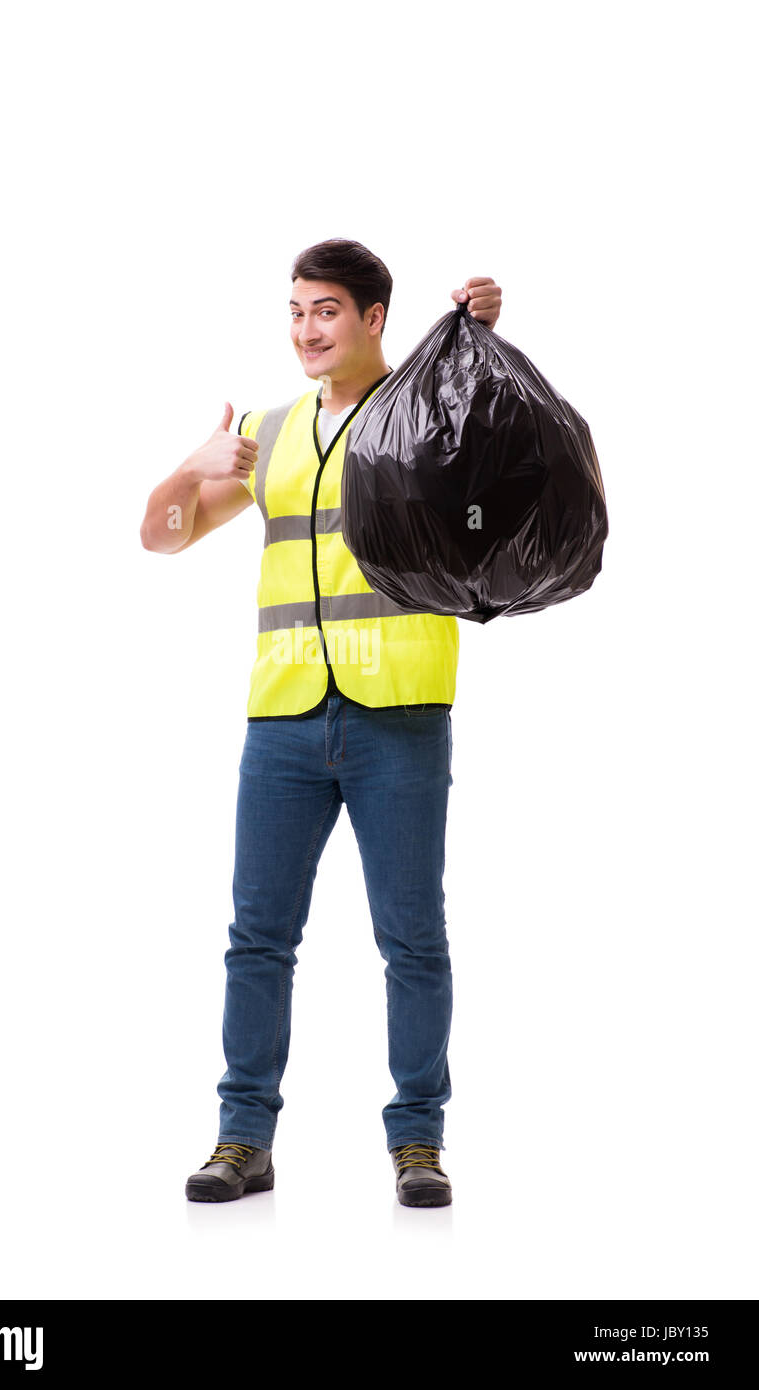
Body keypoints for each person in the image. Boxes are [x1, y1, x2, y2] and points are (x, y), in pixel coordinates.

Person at [140, 239, 502, 1207]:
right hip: (286, 718)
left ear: (375, 318)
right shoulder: (271, 431)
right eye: (297, 310)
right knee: (258, 937)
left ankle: (418, 1142)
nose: (306, 328)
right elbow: (160, 536)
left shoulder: (424, 412)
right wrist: (189, 469)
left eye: (327, 310)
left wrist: (478, 336)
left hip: (400, 716)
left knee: (412, 939)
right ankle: (242, 1140)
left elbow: (500, 440)